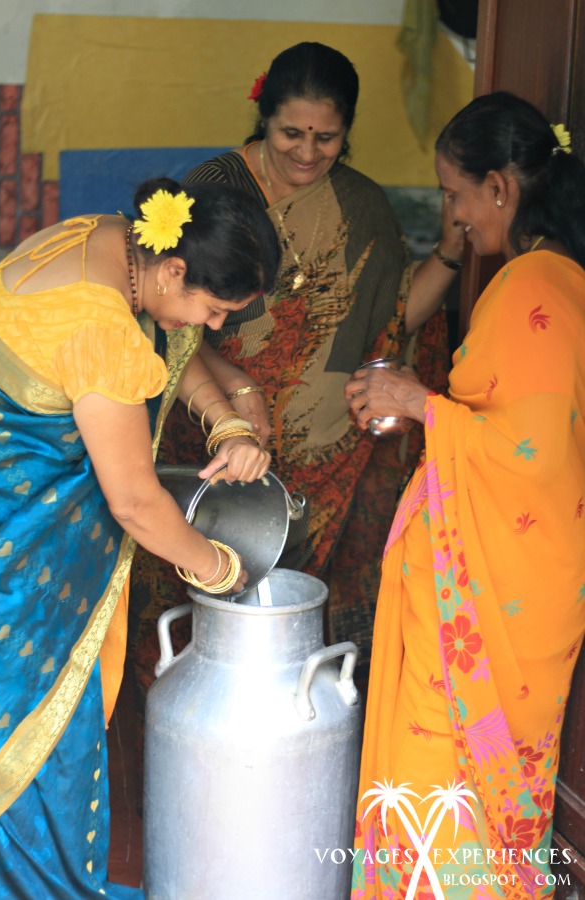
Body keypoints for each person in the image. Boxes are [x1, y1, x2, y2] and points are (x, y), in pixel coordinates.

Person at [129, 41, 464, 685]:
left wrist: (450, 252)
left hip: (323, 463)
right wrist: (235, 395)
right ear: (264, 116)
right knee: (178, 616)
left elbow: (394, 325)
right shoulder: (213, 195)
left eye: (326, 137)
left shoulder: (363, 210)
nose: (307, 152)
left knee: (283, 622)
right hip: (207, 441)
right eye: (291, 133)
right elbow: (168, 324)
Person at [0, 176, 279, 898]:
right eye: (213, 309)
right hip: (19, 550)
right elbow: (137, 504)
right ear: (176, 269)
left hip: (10, 517)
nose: (211, 330)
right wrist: (218, 569)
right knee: (36, 728)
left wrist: (228, 417)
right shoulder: (100, 324)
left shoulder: (114, 241)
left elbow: (170, 339)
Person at [346, 92, 585, 898]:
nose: (454, 216)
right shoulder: (562, 282)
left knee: (437, 773)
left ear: (500, 189)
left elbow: (536, 453)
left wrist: (418, 404)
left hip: (493, 601)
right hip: (519, 579)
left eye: (454, 194)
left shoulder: (530, 292)